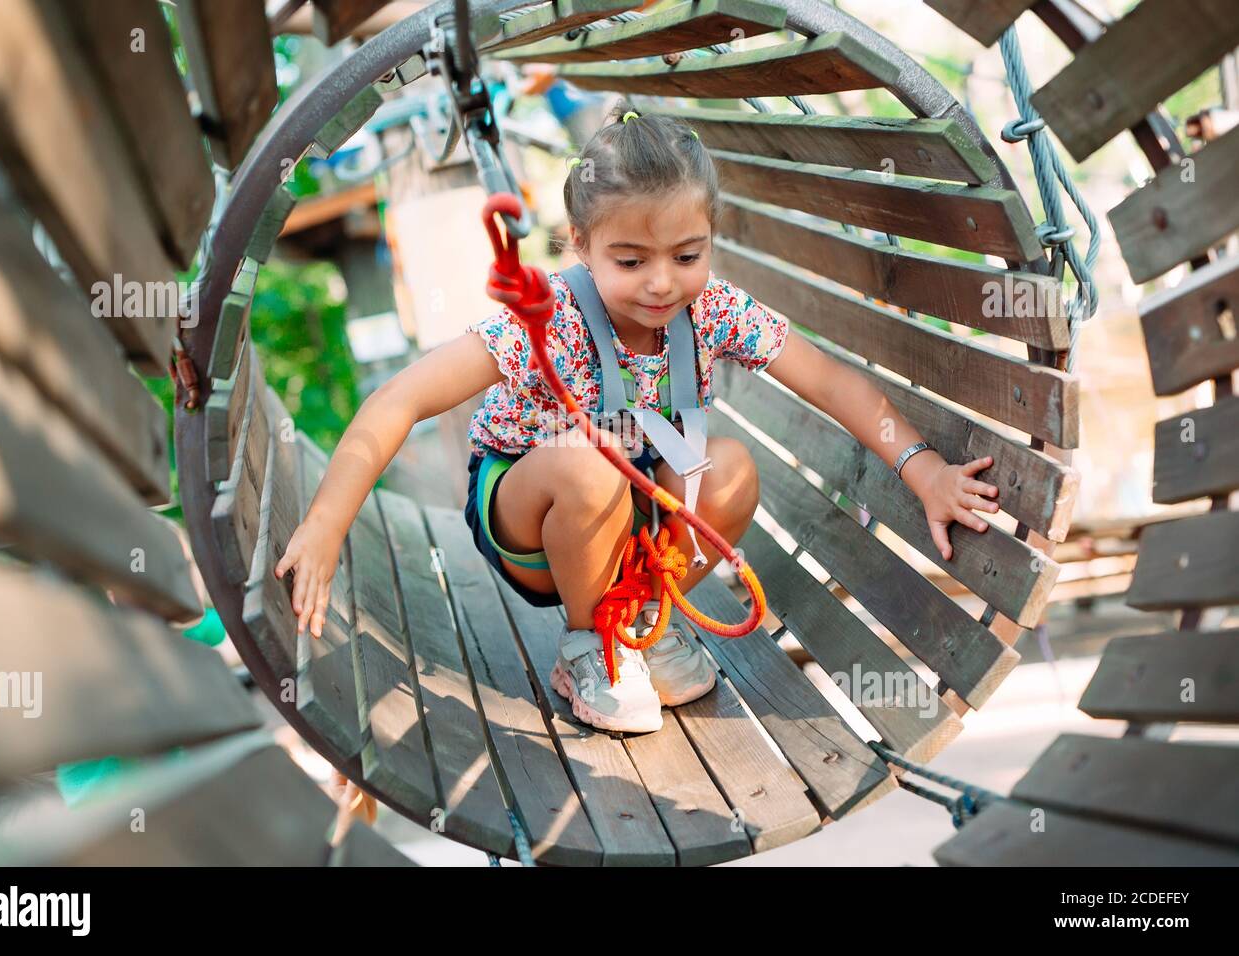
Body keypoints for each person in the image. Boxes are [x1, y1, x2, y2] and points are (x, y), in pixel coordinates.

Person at [275, 101, 1001, 735]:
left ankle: (645, 616)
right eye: (630, 261)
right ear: (581, 245)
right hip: (532, 513)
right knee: (588, 466)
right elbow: (398, 398)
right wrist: (326, 524)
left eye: (687, 254)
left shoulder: (712, 308)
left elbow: (831, 383)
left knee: (730, 466)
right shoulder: (548, 320)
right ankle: (593, 648)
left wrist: (923, 467)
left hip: (635, 509)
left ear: (710, 240)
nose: (662, 282)